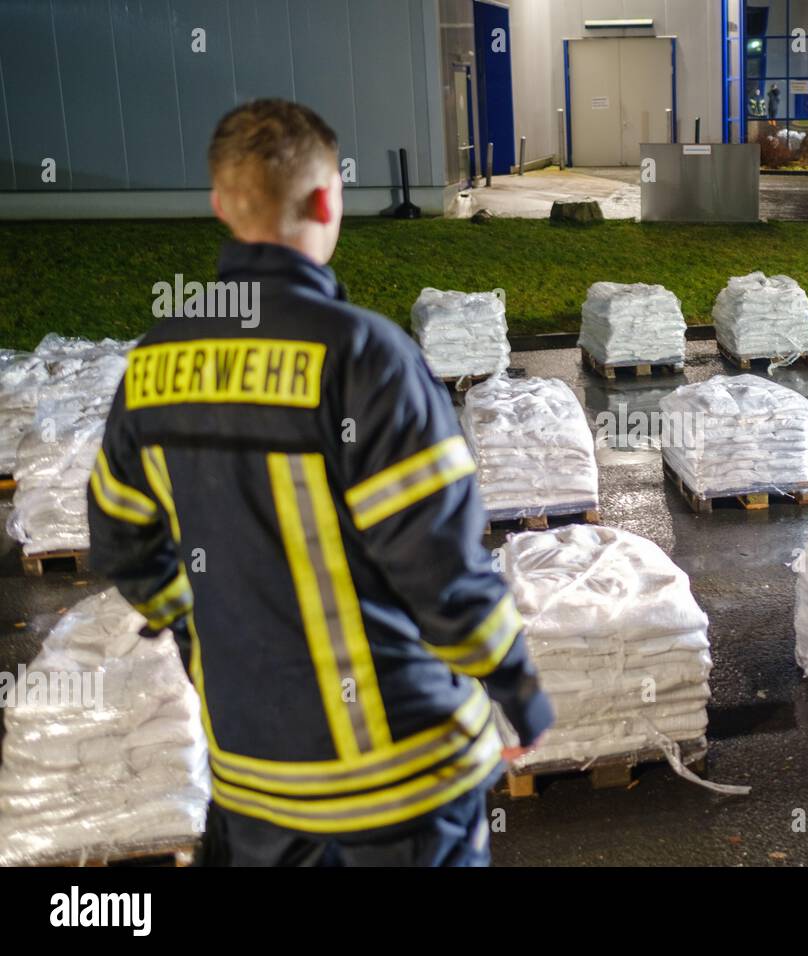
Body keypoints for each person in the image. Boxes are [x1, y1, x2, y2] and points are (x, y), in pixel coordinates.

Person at [88, 98, 552, 867]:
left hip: (253, 782)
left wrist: (198, 631)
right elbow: (440, 565)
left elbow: (118, 538)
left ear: (219, 206)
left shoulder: (151, 368)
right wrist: (518, 688)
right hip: (402, 783)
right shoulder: (367, 357)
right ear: (330, 198)